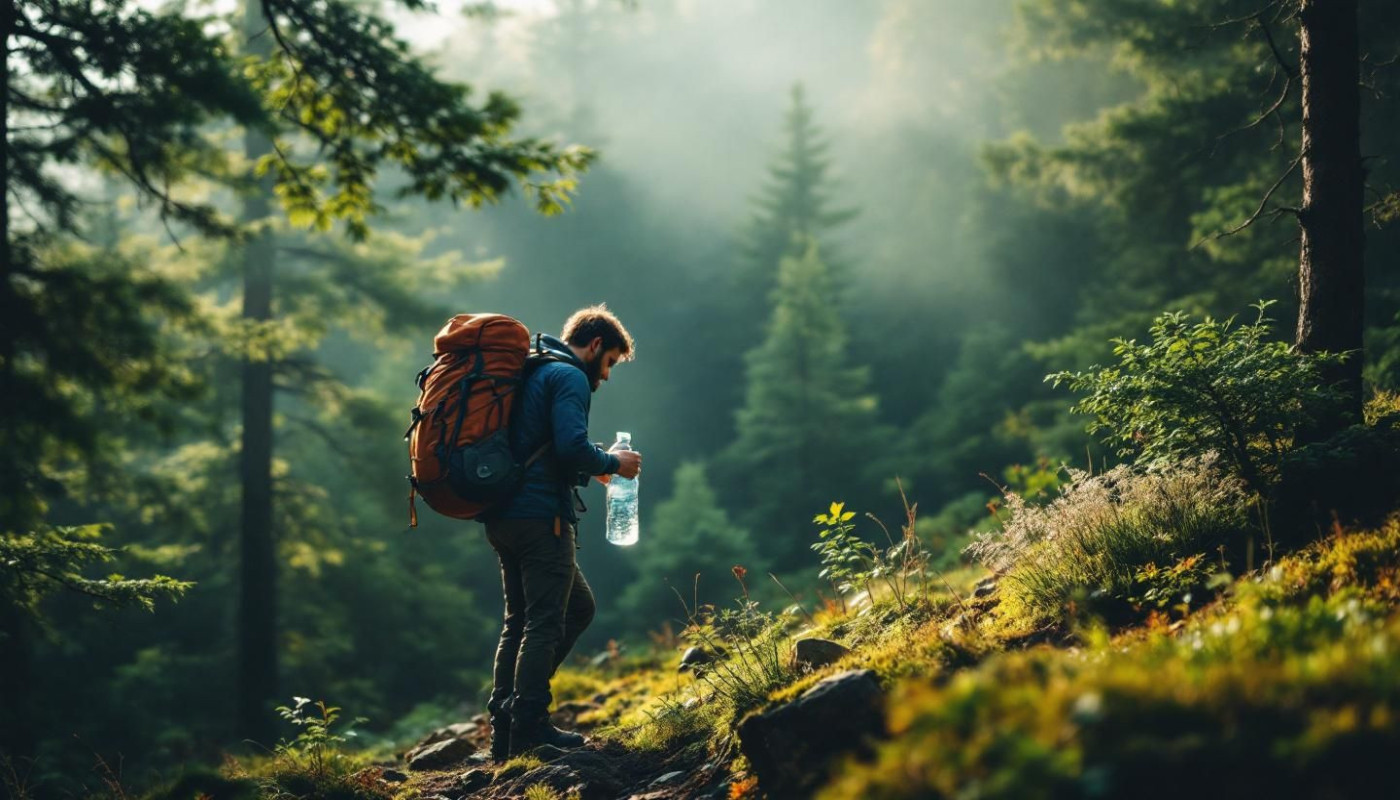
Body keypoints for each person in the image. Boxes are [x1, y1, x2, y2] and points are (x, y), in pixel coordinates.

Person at [481, 305, 642, 759]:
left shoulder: (535, 368)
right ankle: (528, 724)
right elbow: (571, 447)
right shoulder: (569, 376)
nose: (606, 374)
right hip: (541, 519)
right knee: (547, 621)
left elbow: (549, 443)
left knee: (534, 618)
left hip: (504, 514)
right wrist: (614, 463)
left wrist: (598, 465)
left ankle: (505, 726)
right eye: (609, 361)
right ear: (594, 346)